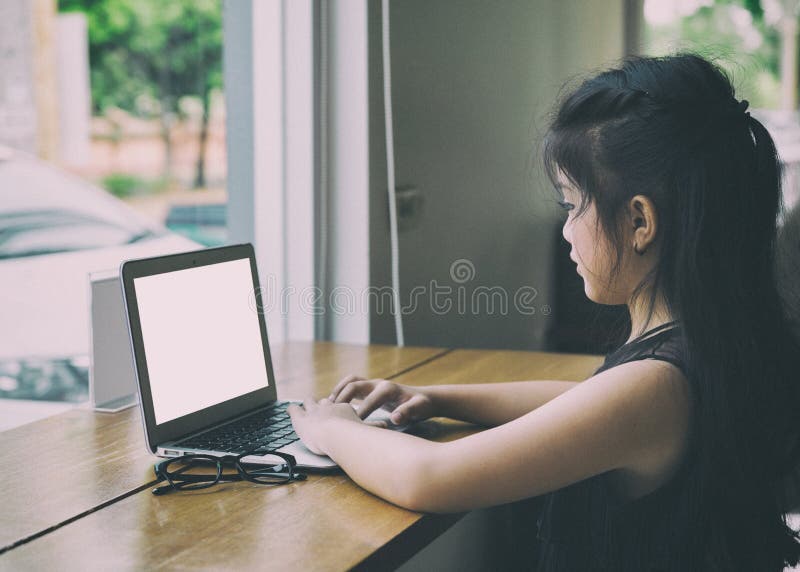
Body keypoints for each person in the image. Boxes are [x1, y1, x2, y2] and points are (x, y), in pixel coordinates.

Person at [287, 53, 800, 571]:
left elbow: (430, 477)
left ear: (640, 222)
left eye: (572, 205)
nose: (567, 230)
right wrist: (437, 397)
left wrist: (333, 429)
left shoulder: (656, 386)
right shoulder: (703, 344)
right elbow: (583, 402)